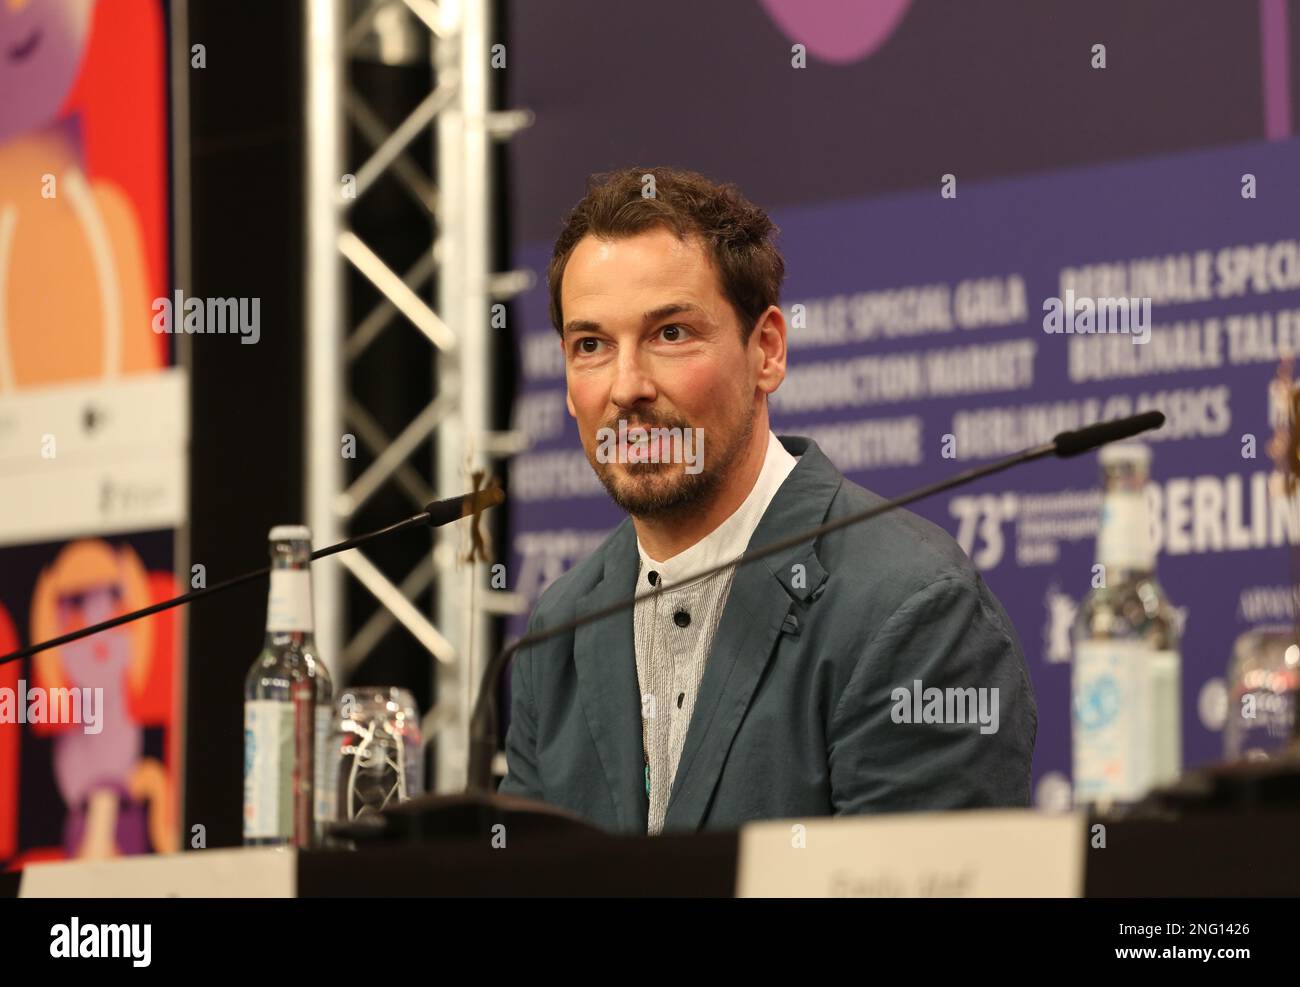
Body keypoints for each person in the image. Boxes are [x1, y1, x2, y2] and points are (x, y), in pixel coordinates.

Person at [499, 166, 1036, 834]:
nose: (626, 385)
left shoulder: (915, 607)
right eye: (592, 345)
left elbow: (916, 878)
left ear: (768, 351)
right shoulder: (560, 624)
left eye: (671, 333)